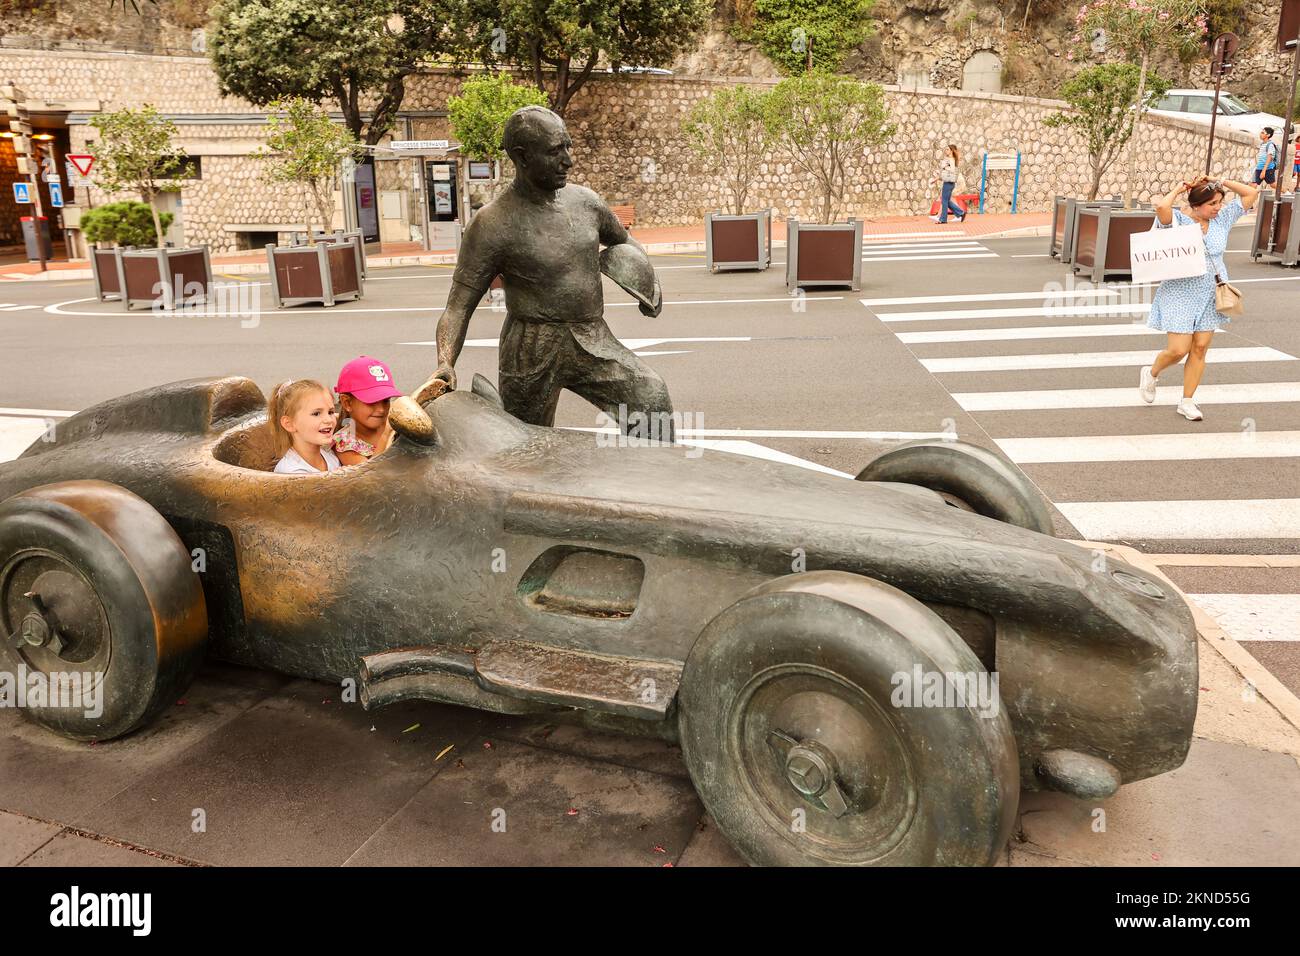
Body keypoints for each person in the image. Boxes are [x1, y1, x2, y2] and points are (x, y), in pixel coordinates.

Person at [412, 105, 674, 439]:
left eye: (568, 146)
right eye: (555, 152)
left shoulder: (586, 202)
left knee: (650, 396)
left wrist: (646, 281)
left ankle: (655, 481)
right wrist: (445, 361)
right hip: (530, 346)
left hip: (592, 336)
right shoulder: (492, 223)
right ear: (522, 158)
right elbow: (458, 306)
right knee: (525, 442)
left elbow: (624, 241)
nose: (568, 160)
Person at [1138, 175, 1259, 422]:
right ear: (1196, 206)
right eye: (1212, 204)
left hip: (1209, 291)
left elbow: (1250, 194)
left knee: (1201, 347)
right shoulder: (1179, 221)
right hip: (1179, 291)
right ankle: (1152, 373)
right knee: (1177, 350)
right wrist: (1179, 188)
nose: (1218, 208)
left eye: (1219, 203)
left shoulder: (1223, 220)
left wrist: (1221, 182)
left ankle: (1187, 401)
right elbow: (1162, 207)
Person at [333, 355, 400, 465]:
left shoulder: (396, 423)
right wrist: (386, 435)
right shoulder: (345, 442)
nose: (381, 409)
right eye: (372, 402)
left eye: (385, 401)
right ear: (347, 403)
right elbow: (371, 476)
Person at [270, 379, 342, 474]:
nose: (329, 420)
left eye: (330, 412)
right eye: (316, 414)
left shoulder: (331, 459)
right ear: (289, 424)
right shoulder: (290, 472)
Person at [930, 144, 965, 224]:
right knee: (946, 201)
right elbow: (945, 173)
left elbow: (952, 170)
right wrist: (936, 179)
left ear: (951, 151)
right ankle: (960, 213)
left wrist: (945, 167)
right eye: (946, 149)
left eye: (948, 149)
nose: (946, 151)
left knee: (944, 201)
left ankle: (943, 219)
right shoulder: (950, 159)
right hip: (949, 182)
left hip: (948, 182)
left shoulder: (951, 159)